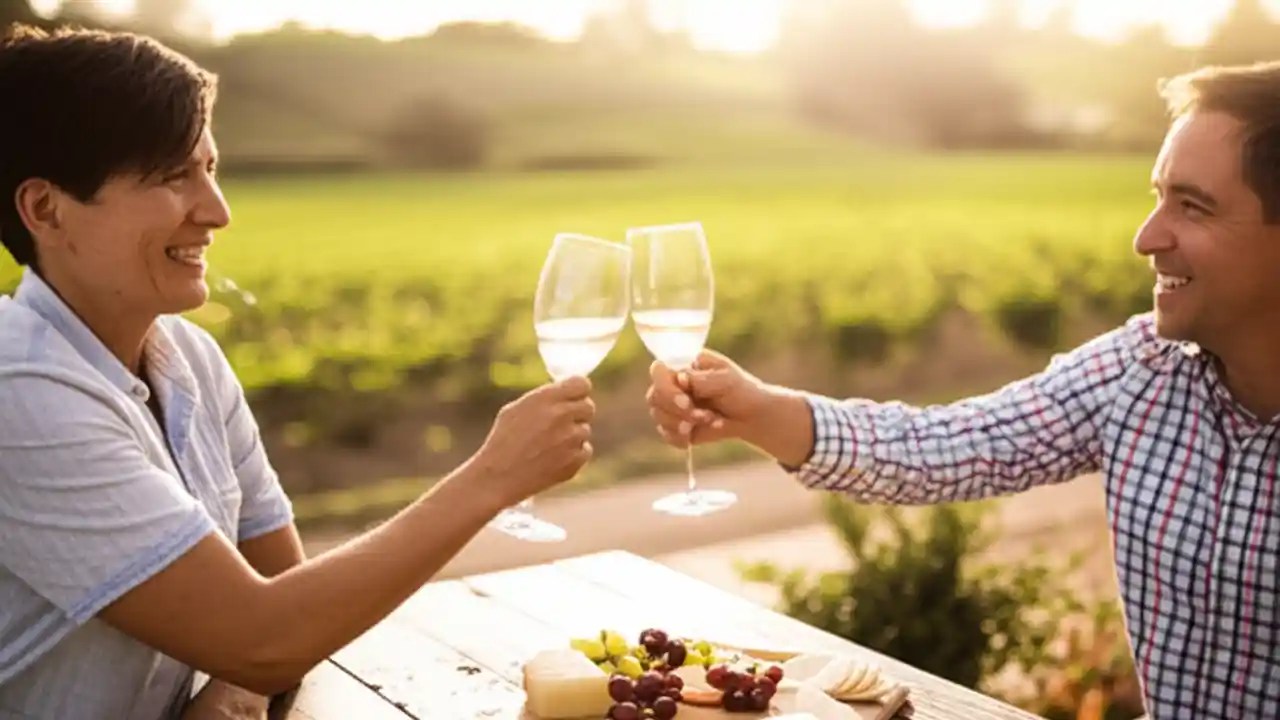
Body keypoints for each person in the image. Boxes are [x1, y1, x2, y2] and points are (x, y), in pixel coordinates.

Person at [648, 61, 1280, 720]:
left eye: (1193, 206)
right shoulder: (1142, 371)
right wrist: (758, 411)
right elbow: (946, 447)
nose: (1147, 238)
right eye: (1157, 197)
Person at [0, 25, 596, 719]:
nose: (217, 212)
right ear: (46, 210)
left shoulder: (190, 359)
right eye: (171, 177)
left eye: (210, 169)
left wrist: (238, 684)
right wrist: (492, 477)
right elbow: (266, 638)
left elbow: (291, 604)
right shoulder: (20, 392)